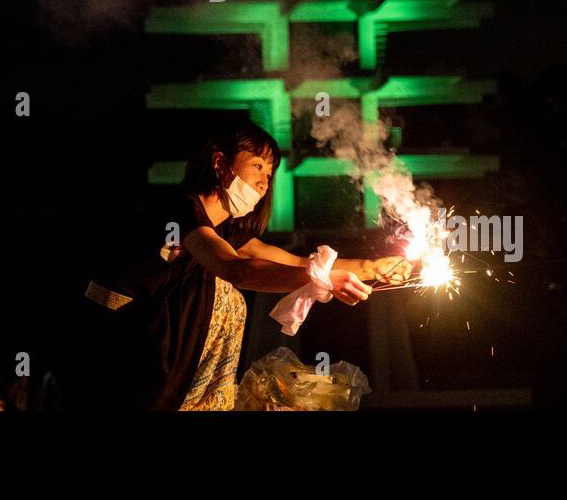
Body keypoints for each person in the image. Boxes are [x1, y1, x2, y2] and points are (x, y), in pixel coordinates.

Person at [77, 120, 414, 411]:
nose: (265, 181)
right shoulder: (177, 210)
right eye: (257, 166)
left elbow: (298, 262)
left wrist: (379, 267)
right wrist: (321, 283)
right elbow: (236, 269)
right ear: (221, 164)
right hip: (124, 371)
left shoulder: (228, 234)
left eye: (270, 173)